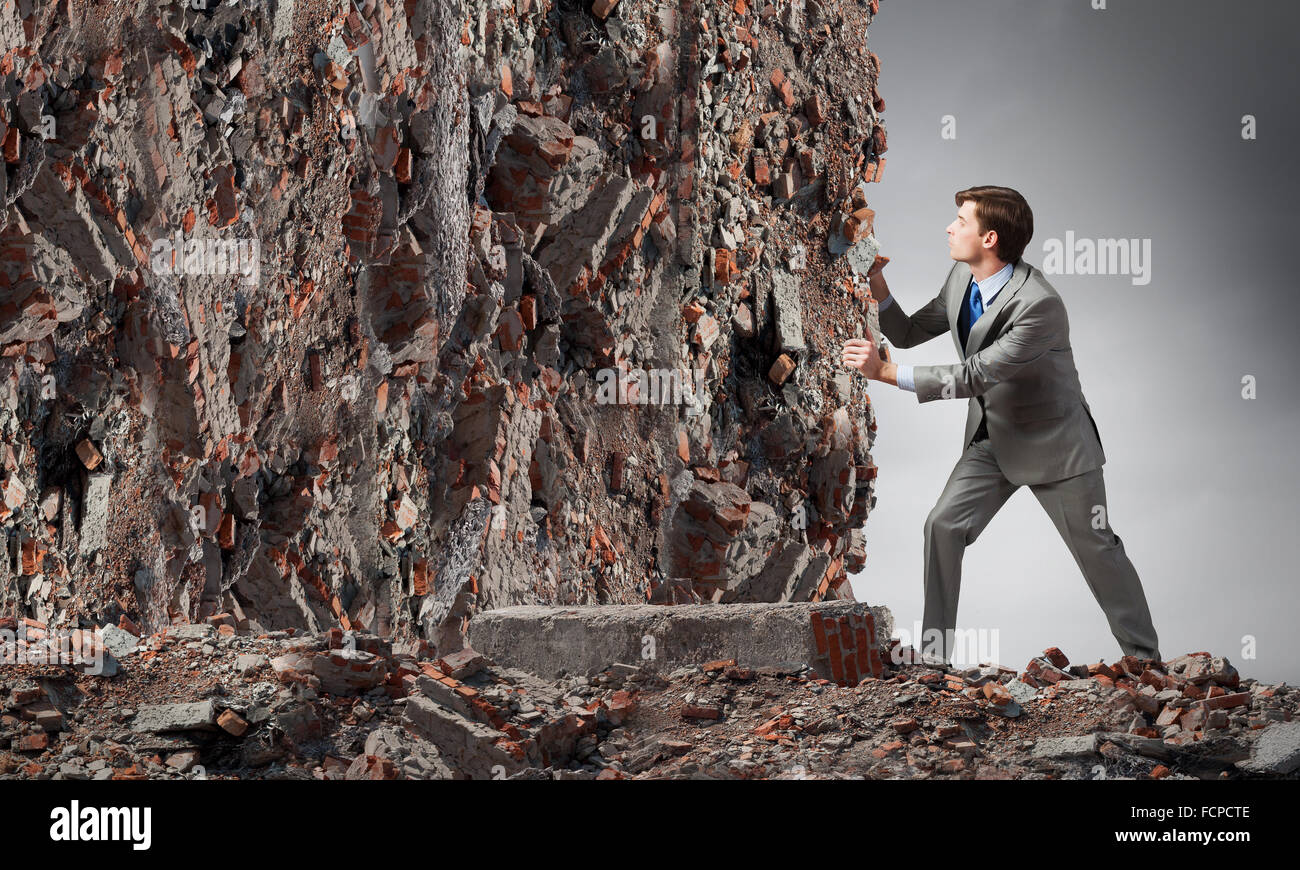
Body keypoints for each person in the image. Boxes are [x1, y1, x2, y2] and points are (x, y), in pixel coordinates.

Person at [840, 185, 1161, 667]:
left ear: (989, 238)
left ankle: (1147, 662)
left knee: (1099, 550)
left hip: (1056, 448)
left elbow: (974, 376)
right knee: (943, 526)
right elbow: (907, 334)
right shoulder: (960, 277)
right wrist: (879, 290)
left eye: (961, 222)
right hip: (993, 438)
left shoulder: (1039, 306)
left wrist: (883, 373)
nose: (950, 228)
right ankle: (934, 657)